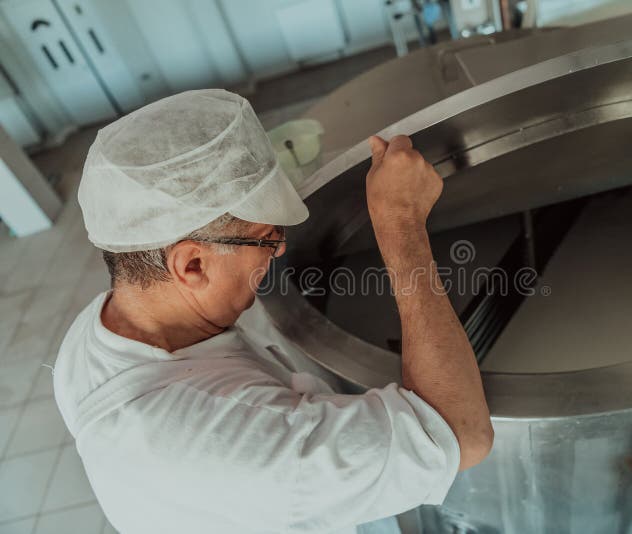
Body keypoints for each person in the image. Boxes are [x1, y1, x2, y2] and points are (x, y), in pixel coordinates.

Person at [53, 89, 493, 534]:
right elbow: (460, 434)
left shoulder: (99, 332)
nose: (280, 246)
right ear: (192, 265)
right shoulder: (244, 455)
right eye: (265, 236)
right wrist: (400, 221)